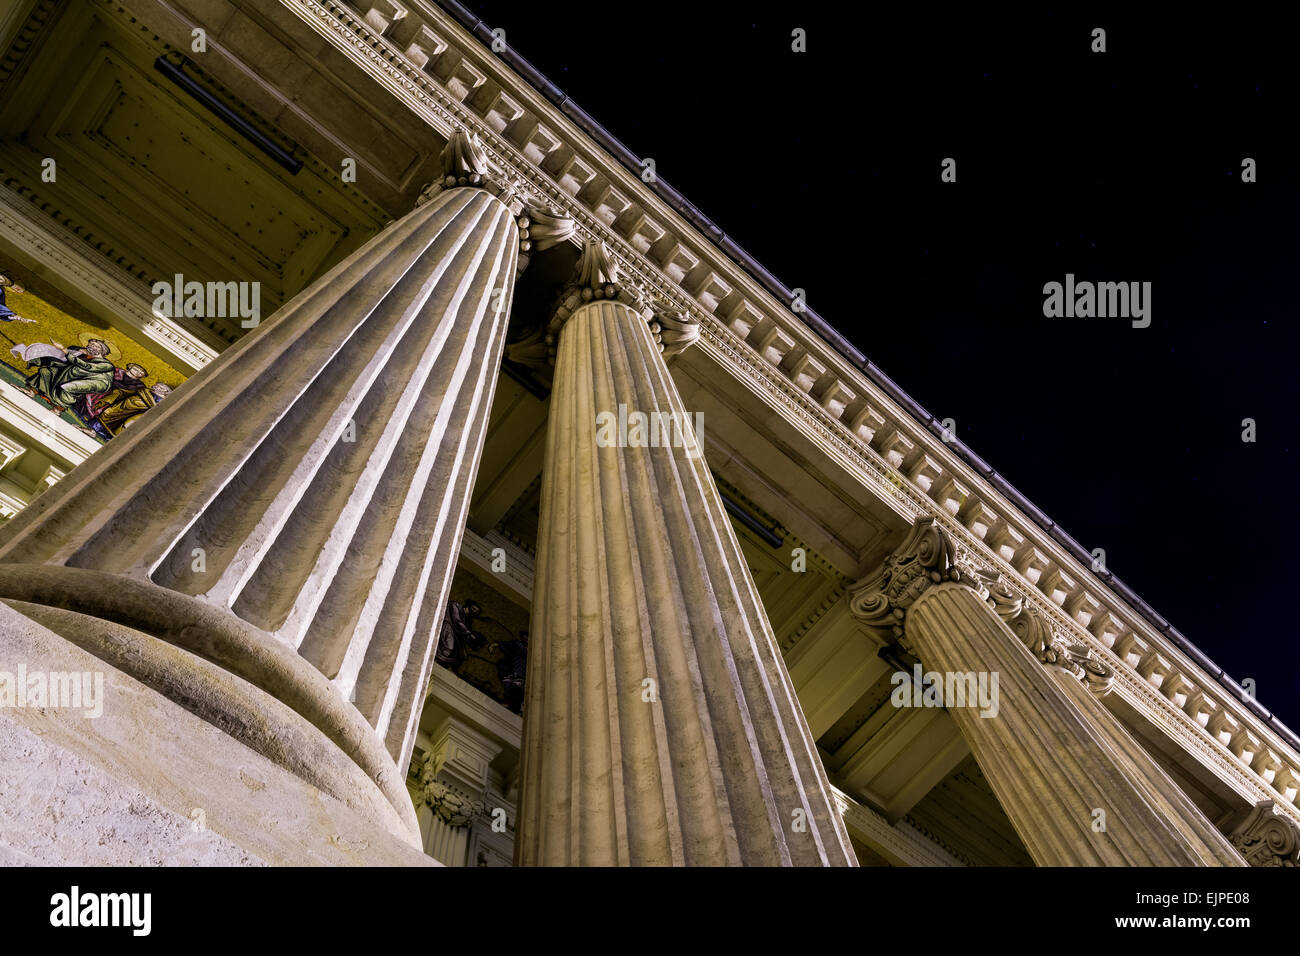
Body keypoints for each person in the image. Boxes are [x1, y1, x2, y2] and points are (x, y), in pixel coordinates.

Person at [23, 338, 116, 411]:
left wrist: (63, 350)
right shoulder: (87, 356)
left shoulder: (106, 364)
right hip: (76, 374)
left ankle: (57, 410)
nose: (90, 346)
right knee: (47, 371)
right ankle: (31, 392)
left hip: (97, 382)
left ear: (101, 350)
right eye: (90, 344)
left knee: (68, 387)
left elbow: (87, 367)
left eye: (94, 346)